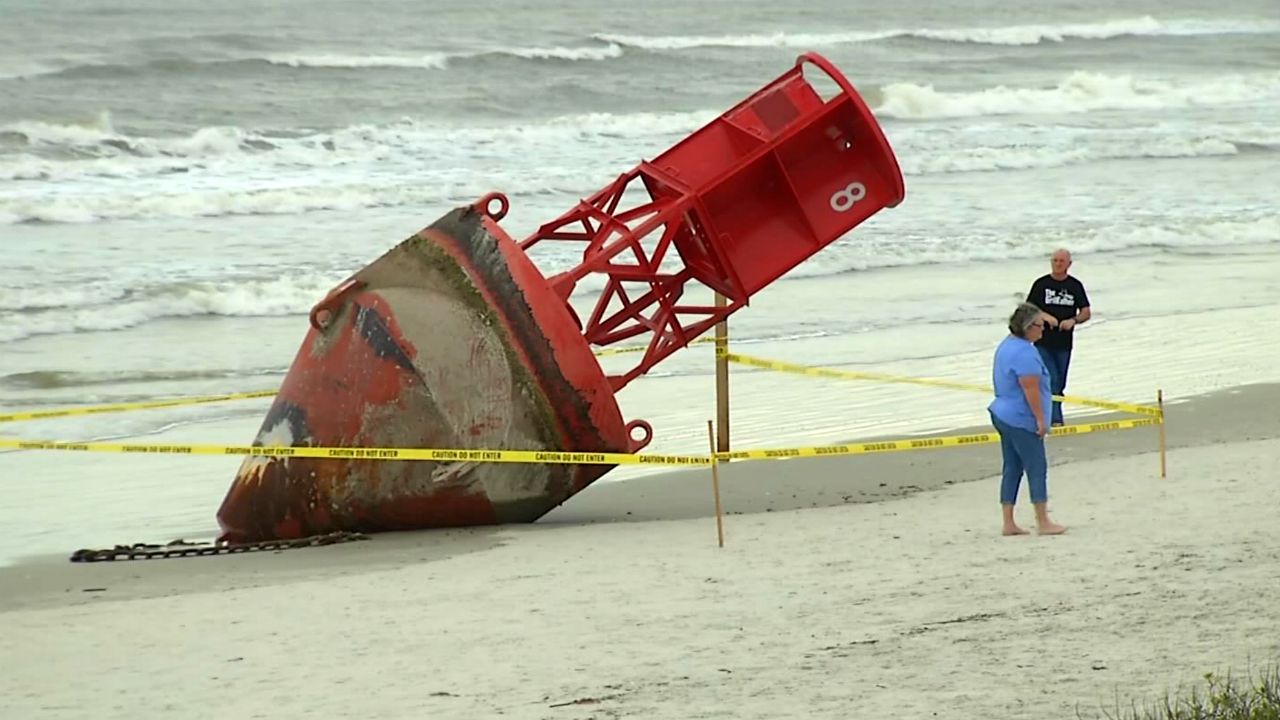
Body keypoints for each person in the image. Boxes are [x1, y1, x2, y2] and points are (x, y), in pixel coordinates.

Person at [988, 302, 1067, 536]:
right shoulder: (1024, 353)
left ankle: (1008, 522)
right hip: (1019, 417)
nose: (1043, 330)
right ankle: (1043, 521)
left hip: (1002, 412)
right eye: (1040, 326)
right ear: (1028, 327)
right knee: (1036, 467)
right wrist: (1041, 421)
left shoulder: (1007, 345)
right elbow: (1030, 389)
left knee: (1012, 467)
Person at [1026, 248, 1091, 426]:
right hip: (1042, 341)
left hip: (1064, 343)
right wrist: (1045, 316)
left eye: (1061, 261)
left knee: (1059, 383)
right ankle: (1054, 420)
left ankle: (1052, 416)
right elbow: (1028, 309)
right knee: (1051, 379)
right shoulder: (1041, 284)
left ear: (1069, 264)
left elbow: (1086, 312)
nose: (1058, 264)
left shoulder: (1074, 286)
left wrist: (1073, 320)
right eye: (1055, 260)